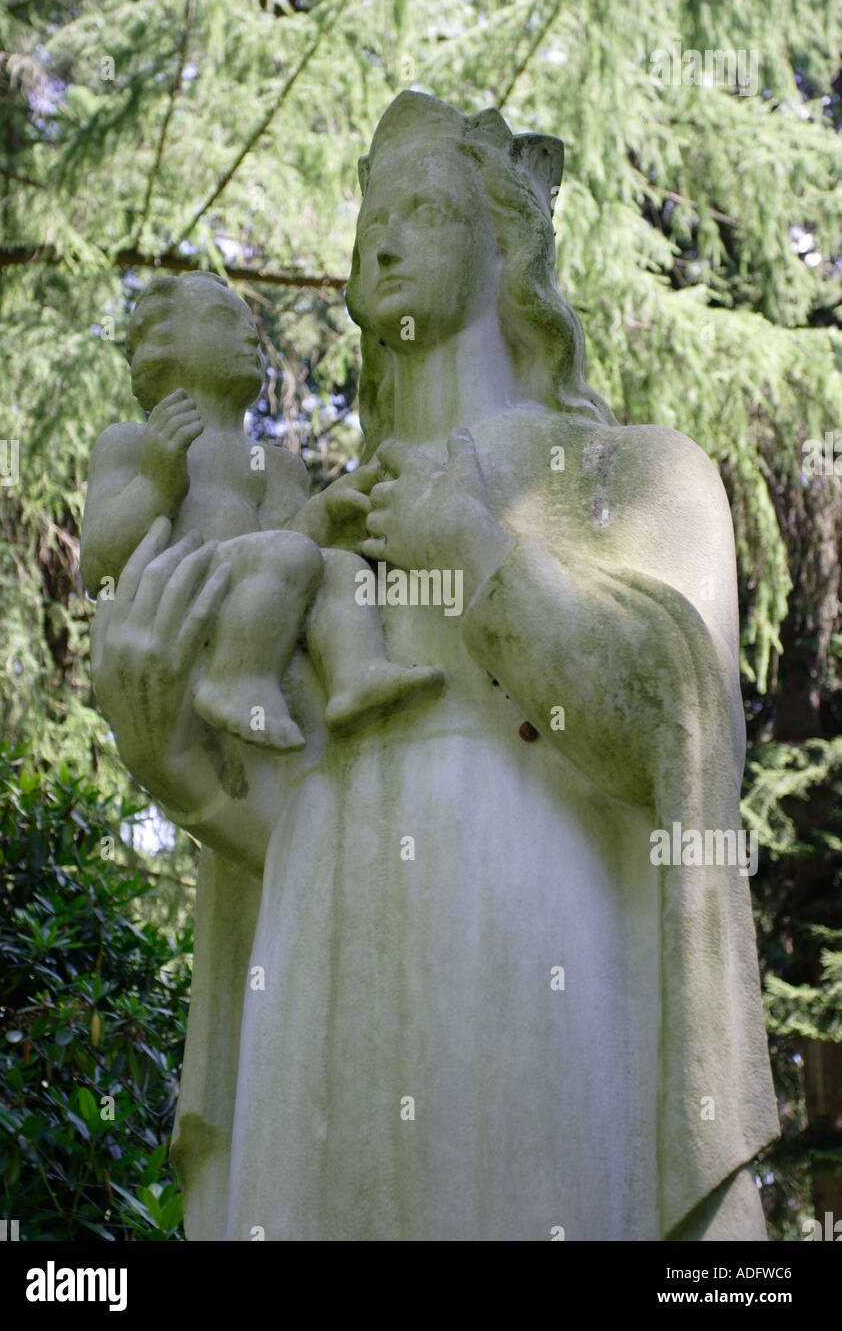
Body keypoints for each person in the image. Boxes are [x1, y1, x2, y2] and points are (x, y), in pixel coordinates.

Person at [89, 92, 779, 1240]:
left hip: (536, 973)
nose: (383, 236)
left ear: (504, 245)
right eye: (371, 214)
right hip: (319, 994)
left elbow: (674, 743)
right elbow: (286, 826)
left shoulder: (624, 475)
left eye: (425, 210)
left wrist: (477, 556)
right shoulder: (310, 534)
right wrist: (181, 769)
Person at [81, 271, 442, 750]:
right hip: (188, 598)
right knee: (291, 554)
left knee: (341, 566)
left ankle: (356, 675)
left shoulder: (277, 465)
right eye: (223, 320)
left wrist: (327, 515)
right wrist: (154, 484)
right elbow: (98, 566)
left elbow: (295, 540)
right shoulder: (132, 444)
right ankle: (237, 682)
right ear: (165, 345)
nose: (250, 333)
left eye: (249, 322)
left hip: (261, 591)